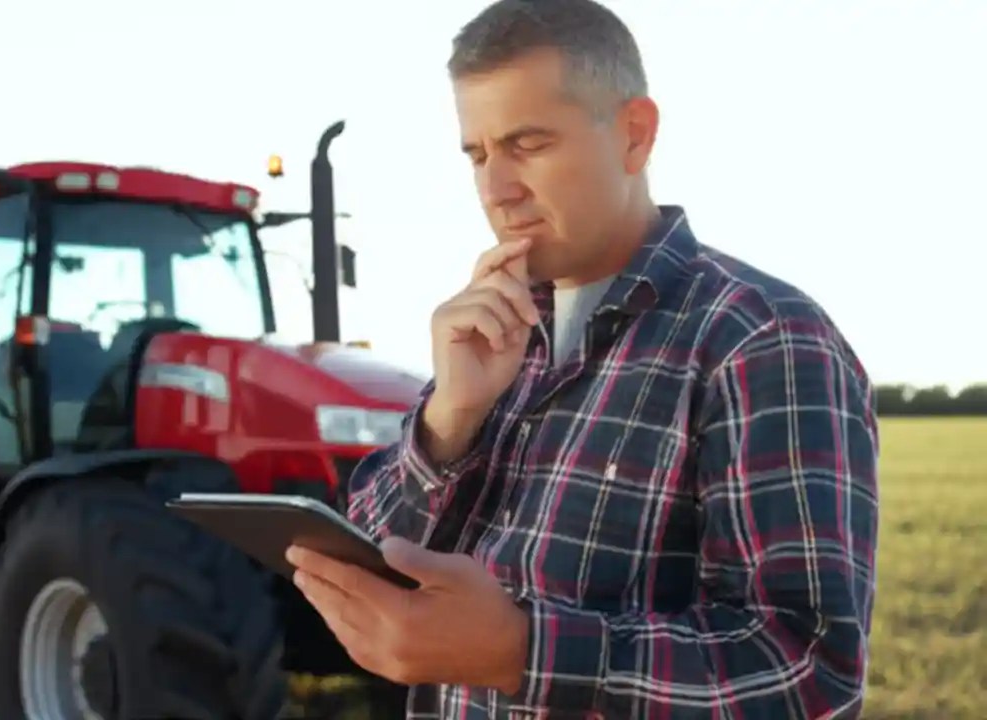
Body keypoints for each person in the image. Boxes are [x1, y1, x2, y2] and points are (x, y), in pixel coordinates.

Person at [285, 0, 881, 717]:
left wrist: (521, 651)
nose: (496, 190)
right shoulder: (497, 333)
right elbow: (383, 550)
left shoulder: (760, 340)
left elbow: (809, 676)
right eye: (478, 154)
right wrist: (451, 417)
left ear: (634, 134)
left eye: (528, 144)